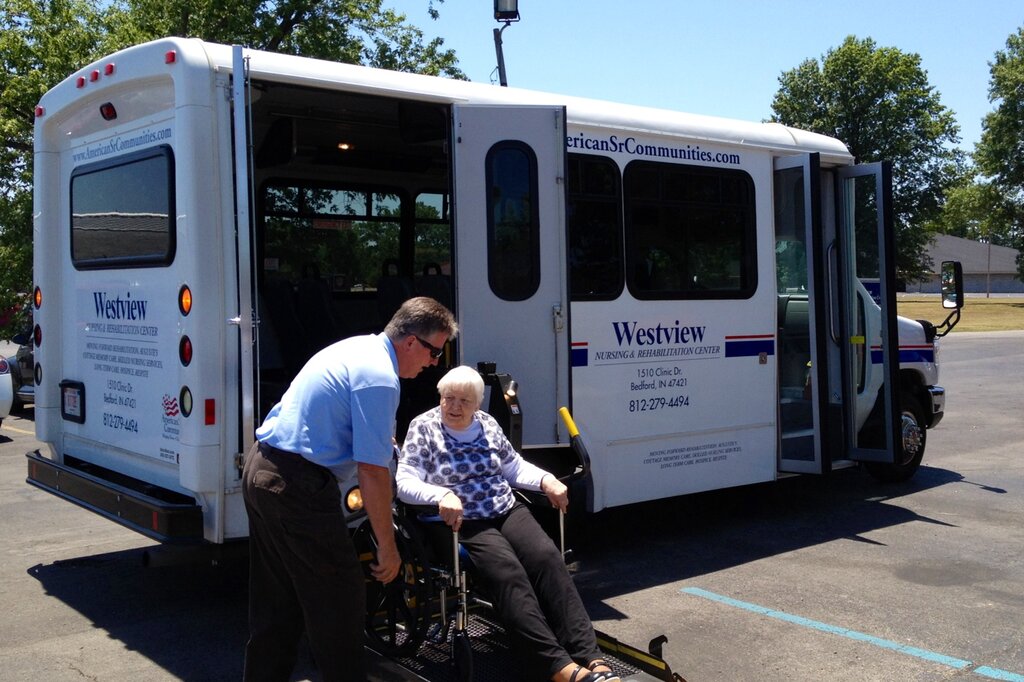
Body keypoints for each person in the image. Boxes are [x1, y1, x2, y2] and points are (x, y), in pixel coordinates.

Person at [242, 296, 458, 682]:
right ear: (412, 342)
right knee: (340, 604)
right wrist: (388, 549)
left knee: (278, 605)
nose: (433, 364)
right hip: (297, 487)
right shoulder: (380, 377)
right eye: (434, 352)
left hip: (263, 469)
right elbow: (372, 473)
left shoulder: (355, 348)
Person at [396, 365, 620, 682]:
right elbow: (404, 482)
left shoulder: (487, 424)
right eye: (448, 398)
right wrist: (440, 494)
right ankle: (556, 666)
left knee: (548, 559)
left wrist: (546, 480)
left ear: (477, 404)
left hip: (504, 508)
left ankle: (590, 656)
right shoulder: (424, 428)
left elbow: (513, 468)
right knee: (508, 573)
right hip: (464, 520)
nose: (454, 407)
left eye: (463, 401)